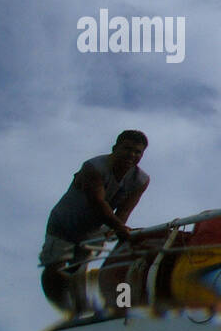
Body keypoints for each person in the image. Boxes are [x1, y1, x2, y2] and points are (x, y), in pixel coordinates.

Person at [39, 131, 150, 313]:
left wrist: (115, 230)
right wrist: (118, 227)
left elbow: (124, 210)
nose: (132, 155)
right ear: (115, 149)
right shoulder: (94, 167)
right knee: (55, 265)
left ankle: (79, 309)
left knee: (79, 269)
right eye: (127, 149)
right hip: (64, 223)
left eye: (137, 152)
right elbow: (98, 203)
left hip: (93, 229)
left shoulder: (141, 180)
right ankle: (63, 307)